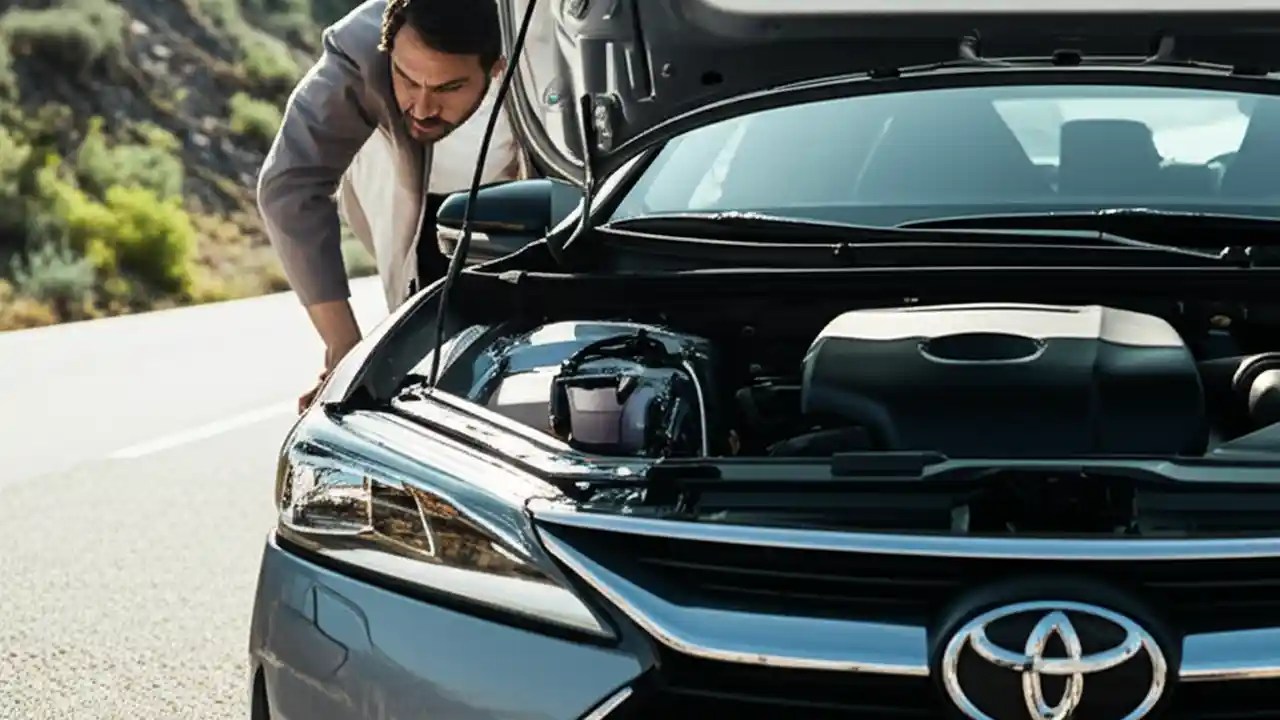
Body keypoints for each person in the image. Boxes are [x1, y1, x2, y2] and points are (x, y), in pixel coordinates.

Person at [257, 0, 527, 413]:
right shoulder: (364, 45)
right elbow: (291, 184)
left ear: (497, 66)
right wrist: (343, 350)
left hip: (523, 199)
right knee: (423, 367)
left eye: (447, 87)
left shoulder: (550, 49)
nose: (422, 108)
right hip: (412, 205)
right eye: (405, 78)